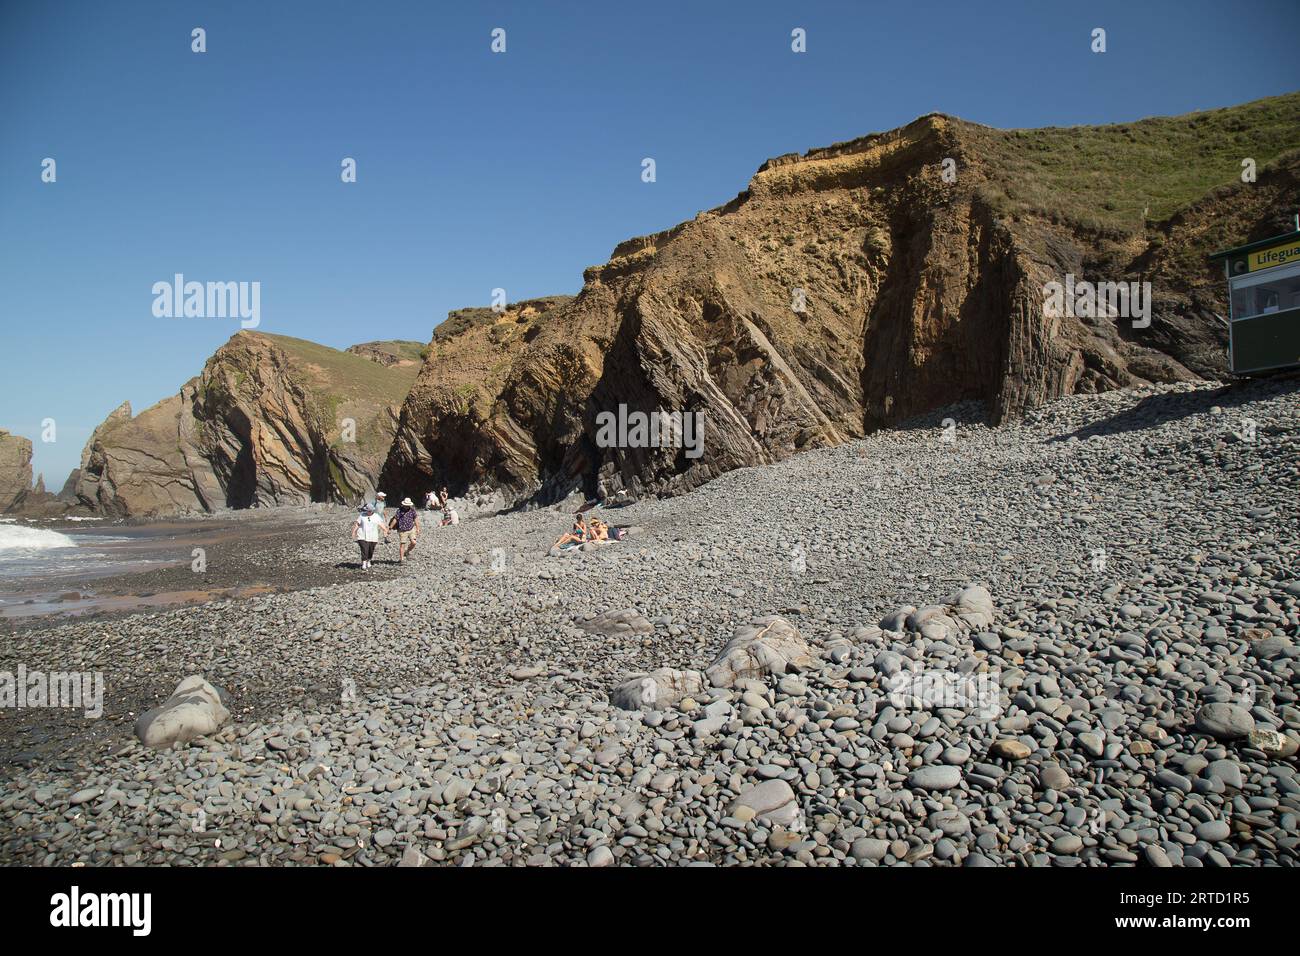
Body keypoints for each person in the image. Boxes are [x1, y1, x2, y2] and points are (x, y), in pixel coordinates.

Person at [351, 504, 384, 569]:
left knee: (371, 550)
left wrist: (385, 530)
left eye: (370, 511)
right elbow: (357, 524)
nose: (368, 512)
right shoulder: (362, 515)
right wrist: (354, 532)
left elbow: (381, 524)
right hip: (362, 535)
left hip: (373, 536)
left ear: (372, 511)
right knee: (364, 549)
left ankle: (369, 560)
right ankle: (364, 563)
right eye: (367, 510)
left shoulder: (376, 516)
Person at [389, 497, 421, 563]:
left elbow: (415, 519)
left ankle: (407, 551)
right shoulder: (399, 510)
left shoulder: (412, 510)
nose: (406, 506)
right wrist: (390, 528)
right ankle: (401, 559)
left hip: (411, 528)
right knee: (402, 544)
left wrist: (418, 528)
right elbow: (395, 519)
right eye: (405, 505)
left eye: (408, 505)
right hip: (402, 530)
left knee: (414, 542)